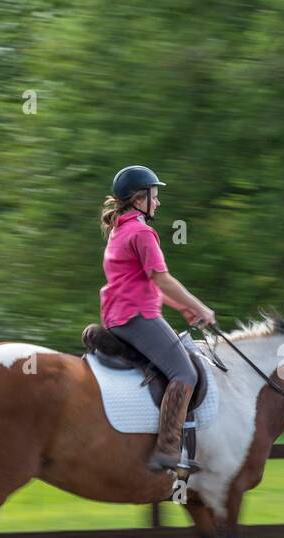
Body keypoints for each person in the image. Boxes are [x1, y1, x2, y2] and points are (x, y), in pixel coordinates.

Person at [99, 165, 216, 474]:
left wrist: (181, 307)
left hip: (117, 314)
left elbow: (139, 281)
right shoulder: (142, 232)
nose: (158, 202)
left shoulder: (119, 229)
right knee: (185, 373)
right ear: (140, 198)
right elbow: (161, 279)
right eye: (155, 195)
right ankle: (167, 449)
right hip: (137, 316)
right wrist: (200, 307)